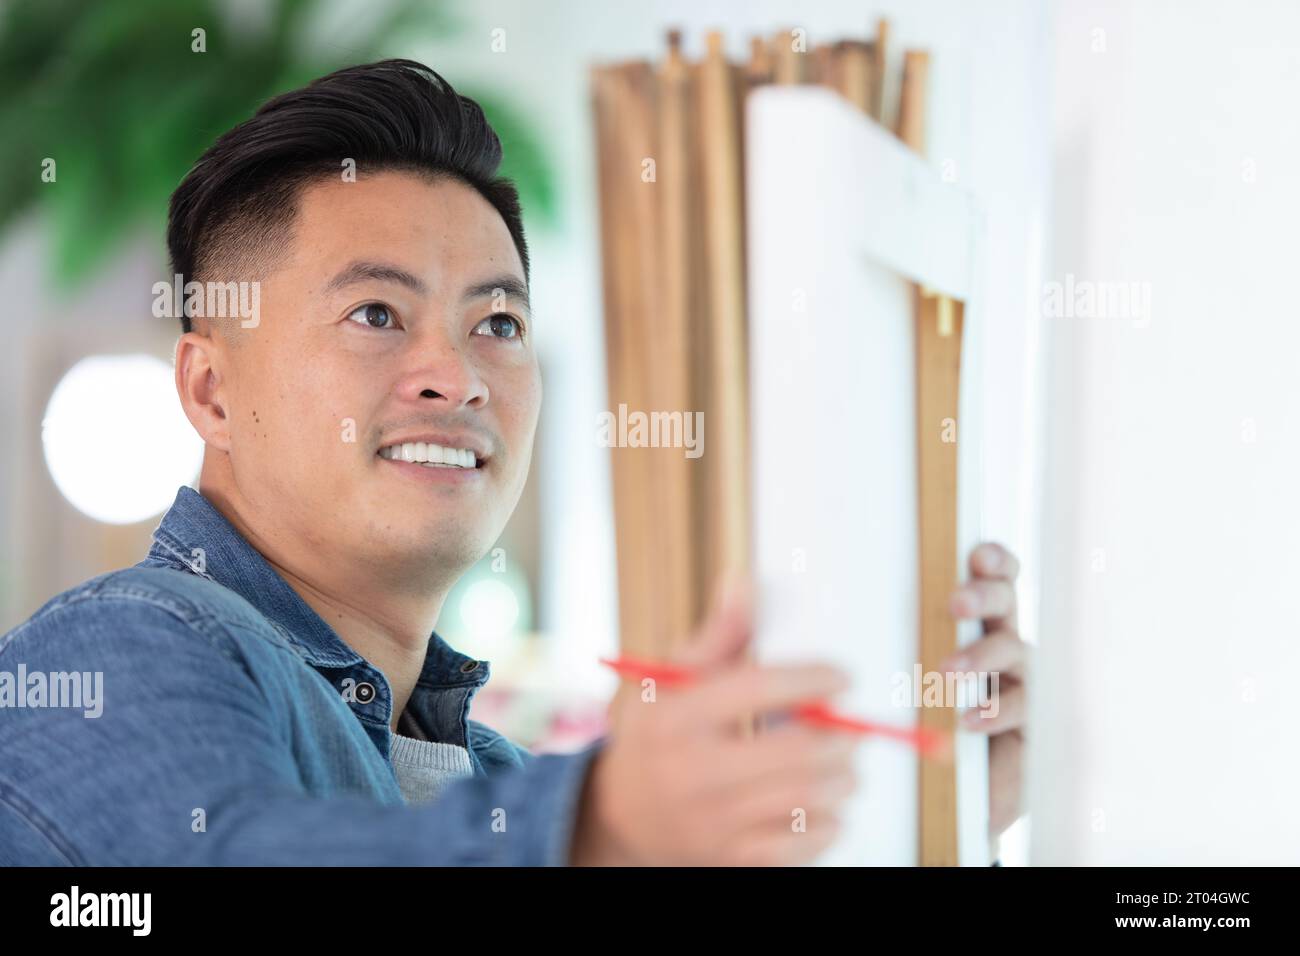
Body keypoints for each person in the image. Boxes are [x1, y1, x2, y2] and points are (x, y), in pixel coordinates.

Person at [0, 59, 1026, 865]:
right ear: (209, 390)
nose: (456, 373)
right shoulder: (122, 642)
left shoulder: (494, 776)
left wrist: (943, 814)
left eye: (497, 319)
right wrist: (600, 830)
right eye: (375, 312)